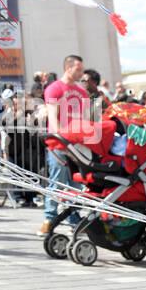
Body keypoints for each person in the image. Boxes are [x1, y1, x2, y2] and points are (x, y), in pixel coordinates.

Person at [39, 54, 88, 236]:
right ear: (68, 68)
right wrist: (62, 139)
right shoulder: (54, 89)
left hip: (77, 145)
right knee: (56, 182)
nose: (81, 73)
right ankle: (49, 218)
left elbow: (84, 119)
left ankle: (74, 218)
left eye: (82, 69)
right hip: (59, 144)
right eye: (78, 69)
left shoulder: (82, 92)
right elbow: (53, 117)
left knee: (75, 184)